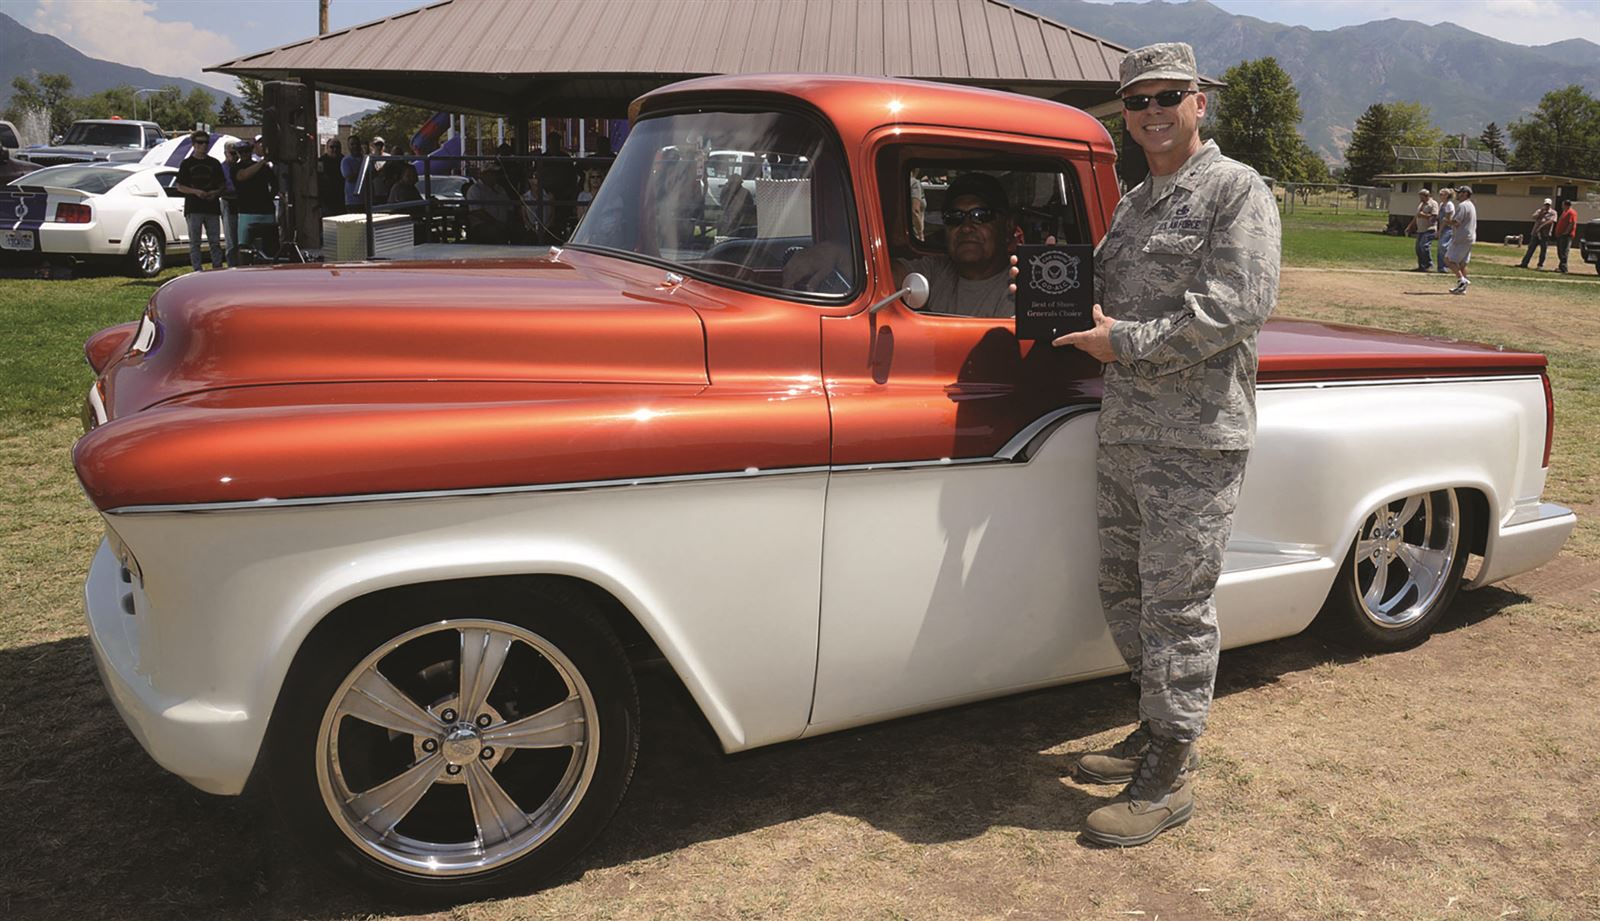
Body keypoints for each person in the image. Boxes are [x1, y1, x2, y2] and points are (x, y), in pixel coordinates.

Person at [1049, 42, 1279, 848]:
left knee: (1177, 603)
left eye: (1168, 96)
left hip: (1194, 438)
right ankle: (1154, 726)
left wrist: (1129, 343)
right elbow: (1101, 301)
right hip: (1127, 431)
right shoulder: (1134, 202)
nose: (1151, 111)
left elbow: (1235, 307)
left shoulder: (1234, 189)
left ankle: (1172, 770)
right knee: (1126, 592)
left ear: (1199, 103)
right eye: (1138, 99)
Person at [173, 130, 227, 271]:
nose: (203, 146)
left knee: (215, 242)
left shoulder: (214, 163)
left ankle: (217, 268)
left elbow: (222, 185)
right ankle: (197, 269)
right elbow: (179, 186)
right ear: (193, 144)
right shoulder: (187, 163)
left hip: (211, 207)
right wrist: (196, 192)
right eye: (200, 142)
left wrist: (215, 193)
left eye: (205, 143)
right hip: (194, 207)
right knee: (195, 242)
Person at [232, 137, 277, 259]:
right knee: (244, 246)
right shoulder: (235, 167)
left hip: (266, 210)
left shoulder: (264, 168)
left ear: (251, 151)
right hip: (247, 211)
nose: (244, 154)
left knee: (270, 245)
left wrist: (269, 197)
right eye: (241, 152)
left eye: (247, 151)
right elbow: (242, 176)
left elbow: (275, 184)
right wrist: (262, 162)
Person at [1443, 185, 1477, 294]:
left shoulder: (1463, 205)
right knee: (1462, 263)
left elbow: (1457, 222)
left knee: (1449, 260)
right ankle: (1462, 288)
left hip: (1461, 237)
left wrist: (1447, 221)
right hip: (1469, 237)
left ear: (1465, 194)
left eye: (1460, 192)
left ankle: (1462, 281)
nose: (1457, 194)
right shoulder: (1471, 205)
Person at [219, 141, 242, 267]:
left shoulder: (241, 167)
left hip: (241, 202)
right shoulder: (222, 168)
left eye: (237, 153)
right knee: (231, 238)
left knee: (241, 238)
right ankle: (232, 265)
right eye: (232, 153)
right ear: (225, 153)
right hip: (228, 201)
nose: (235, 156)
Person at [1405, 188, 1438, 271]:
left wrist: (1424, 215)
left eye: (1421, 196)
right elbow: (1417, 216)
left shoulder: (1433, 204)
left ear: (1426, 196)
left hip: (1429, 229)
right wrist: (1409, 226)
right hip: (1420, 229)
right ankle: (1421, 266)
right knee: (1418, 248)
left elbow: (1434, 217)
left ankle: (1428, 264)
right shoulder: (1421, 204)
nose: (1420, 198)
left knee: (1424, 246)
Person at [318, 138, 344, 217]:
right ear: (327, 148)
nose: (335, 149)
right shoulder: (321, 161)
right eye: (332, 147)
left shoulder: (344, 160)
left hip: (341, 198)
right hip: (326, 199)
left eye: (337, 147)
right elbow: (318, 177)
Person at [1552, 198, 1579, 273]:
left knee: (1564, 251)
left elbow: (1572, 223)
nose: (1562, 206)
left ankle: (1564, 268)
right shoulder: (1565, 212)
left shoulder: (1571, 212)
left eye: (1563, 204)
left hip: (1566, 236)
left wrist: (1566, 232)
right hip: (1561, 235)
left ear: (1566, 205)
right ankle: (1561, 267)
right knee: (1560, 251)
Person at [341, 136, 366, 209]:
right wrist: (363, 171)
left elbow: (372, 174)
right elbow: (349, 178)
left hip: (367, 200)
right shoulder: (346, 161)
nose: (355, 146)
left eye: (356, 144)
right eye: (352, 144)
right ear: (348, 146)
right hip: (353, 201)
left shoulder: (365, 159)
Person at [367, 136, 395, 201]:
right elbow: (370, 175)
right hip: (374, 191)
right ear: (373, 145)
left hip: (388, 190)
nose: (379, 147)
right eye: (377, 144)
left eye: (381, 144)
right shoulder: (369, 158)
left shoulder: (388, 157)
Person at [1435, 188, 1455, 274]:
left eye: (1442, 194)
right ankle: (1441, 267)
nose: (1440, 196)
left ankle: (1446, 265)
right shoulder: (1441, 204)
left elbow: (1447, 219)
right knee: (1440, 247)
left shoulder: (1449, 205)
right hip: (1441, 227)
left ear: (1447, 195)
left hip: (1448, 228)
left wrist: (1440, 230)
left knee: (1443, 246)